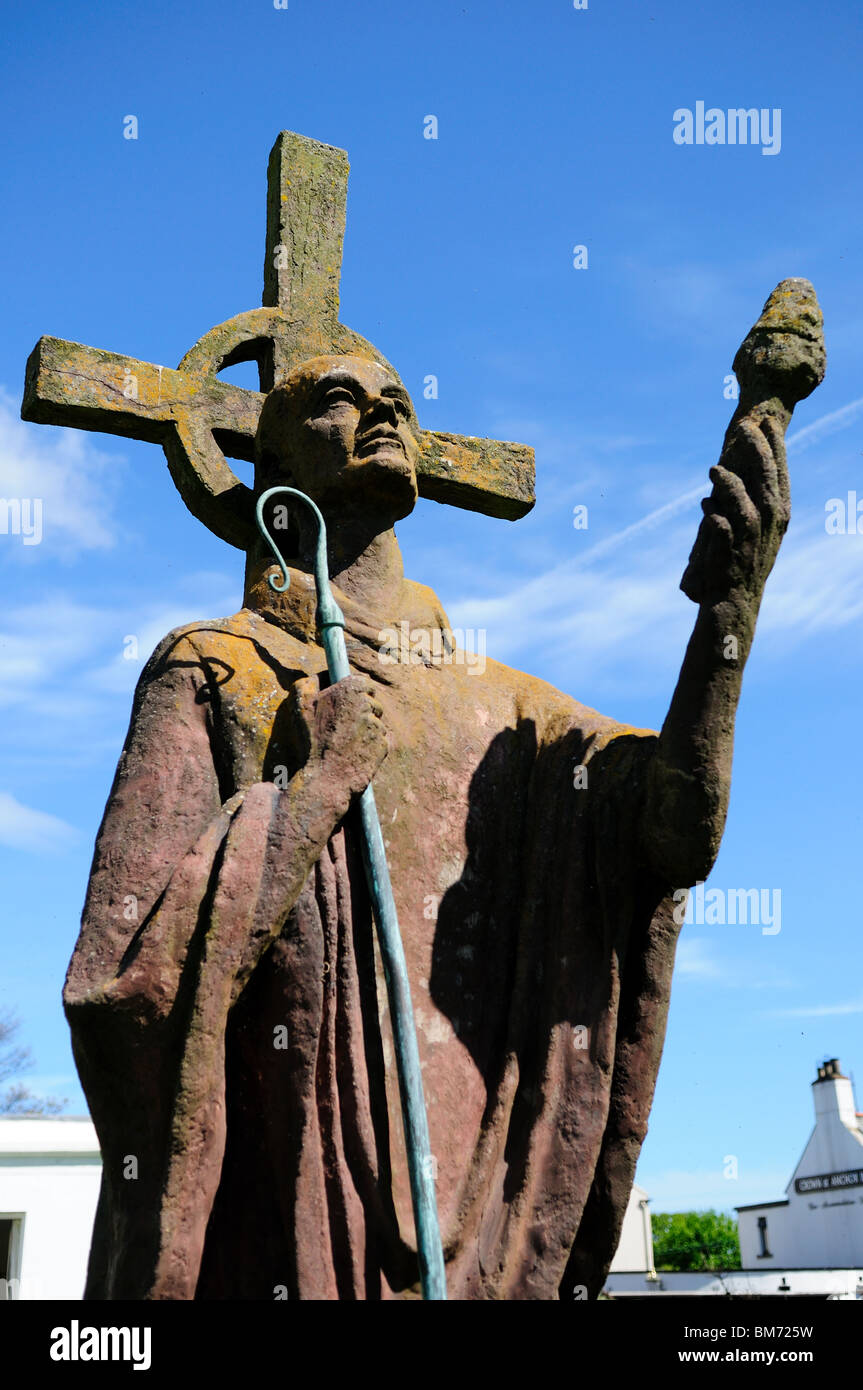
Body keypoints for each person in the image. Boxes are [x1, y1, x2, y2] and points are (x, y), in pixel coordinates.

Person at [65, 348, 794, 1300]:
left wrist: (728, 614)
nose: (382, 413)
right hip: (284, 1223)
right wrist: (309, 798)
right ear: (267, 452)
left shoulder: (508, 712)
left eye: (397, 401)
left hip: (481, 1229)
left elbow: (675, 827)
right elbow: (121, 983)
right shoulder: (213, 669)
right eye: (339, 398)